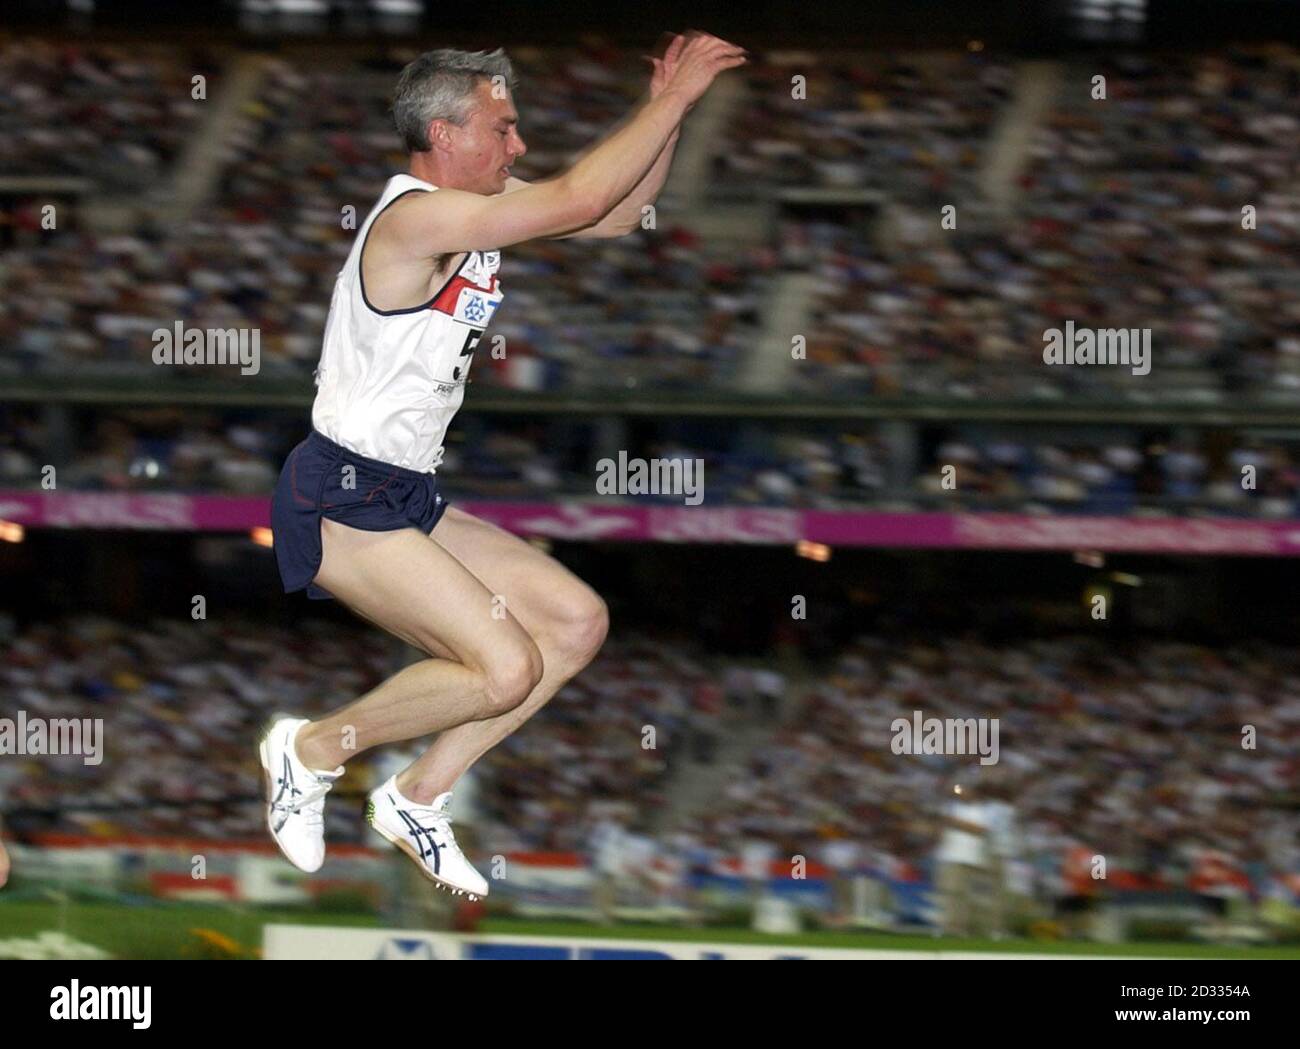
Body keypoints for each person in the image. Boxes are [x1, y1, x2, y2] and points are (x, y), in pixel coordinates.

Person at [260, 34, 749, 900]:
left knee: (573, 623)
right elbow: (579, 192)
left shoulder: (476, 206)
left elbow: (615, 213)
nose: (518, 145)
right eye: (504, 128)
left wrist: (673, 114)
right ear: (446, 135)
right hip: (338, 491)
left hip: (404, 490)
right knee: (503, 668)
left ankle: (417, 794)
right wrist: (669, 103)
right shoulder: (418, 218)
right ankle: (308, 749)